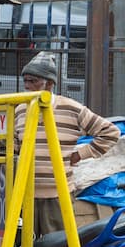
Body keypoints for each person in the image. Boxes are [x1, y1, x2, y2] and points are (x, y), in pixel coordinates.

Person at [14, 51, 119, 237]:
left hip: (57, 196)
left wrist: (81, 154)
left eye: (33, 81)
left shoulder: (71, 108)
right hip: (26, 195)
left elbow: (110, 133)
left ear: (50, 83)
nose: (28, 86)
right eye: (26, 81)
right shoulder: (20, 110)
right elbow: (16, 146)